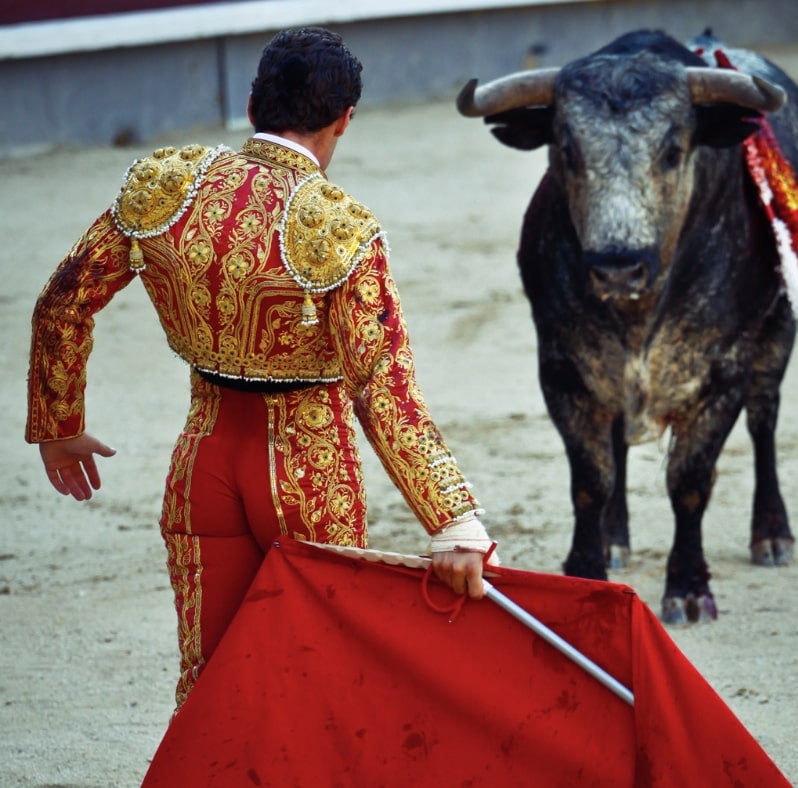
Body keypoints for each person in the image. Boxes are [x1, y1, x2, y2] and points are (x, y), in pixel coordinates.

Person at [25, 26, 498, 710]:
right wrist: (453, 520)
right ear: (345, 120)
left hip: (203, 461)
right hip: (309, 467)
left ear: (252, 106)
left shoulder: (169, 183)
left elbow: (62, 301)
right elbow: (381, 389)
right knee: (324, 681)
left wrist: (59, 425)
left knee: (210, 684)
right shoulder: (340, 226)